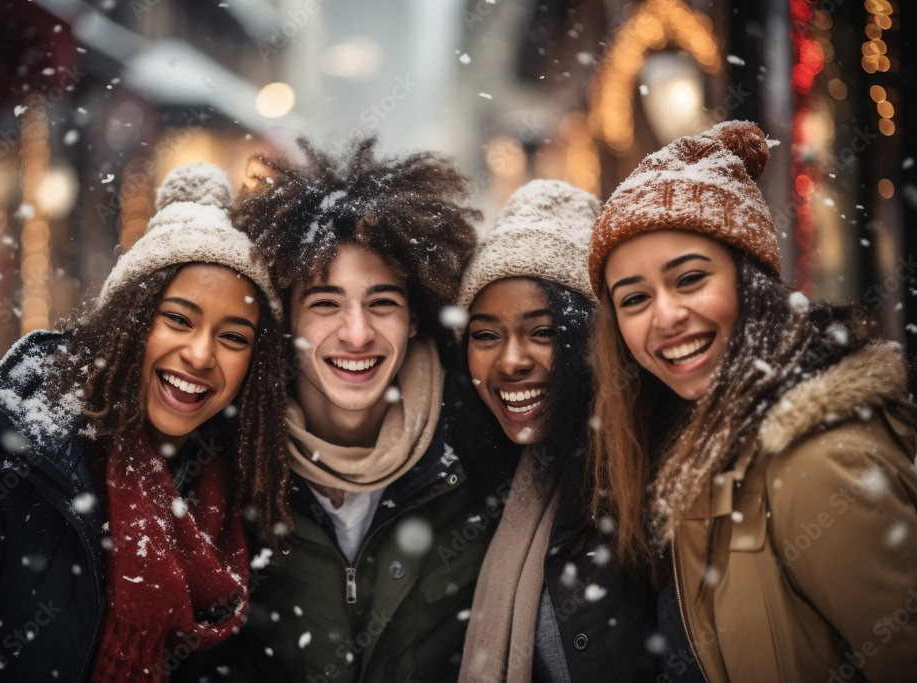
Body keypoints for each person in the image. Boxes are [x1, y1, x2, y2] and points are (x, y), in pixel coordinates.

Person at [0, 163, 289, 682]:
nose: (201, 355)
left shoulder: (252, 501)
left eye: (233, 337)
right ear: (128, 322)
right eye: (177, 319)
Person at [586, 120, 917, 682]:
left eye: (690, 279)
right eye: (635, 298)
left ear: (752, 283)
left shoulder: (819, 463)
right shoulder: (699, 448)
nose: (665, 316)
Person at [227, 136, 489, 682]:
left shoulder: (482, 452)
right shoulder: (228, 464)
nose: (357, 333)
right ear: (286, 319)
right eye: (325, 303)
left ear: (415, 317)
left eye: (382, 303)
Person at [447, 179, 661, 682]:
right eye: (485, 336)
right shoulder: (487, 480)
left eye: (543, 333)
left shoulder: (649, 479)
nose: (512, 361)